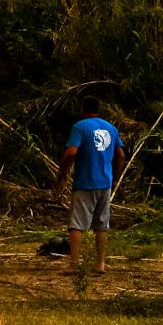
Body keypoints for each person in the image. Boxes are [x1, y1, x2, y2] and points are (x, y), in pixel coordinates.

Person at [55, 96, 125, 274]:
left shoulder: (80, 126)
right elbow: (121, 155)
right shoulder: (111, 128)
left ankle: (74, 264)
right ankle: (100, 264)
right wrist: (115, 177)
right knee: (101, 225)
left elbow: (71, 152)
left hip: (85, 182)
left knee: (76, 224)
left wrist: (62, 170)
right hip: (105, 183)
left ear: (83, 109)